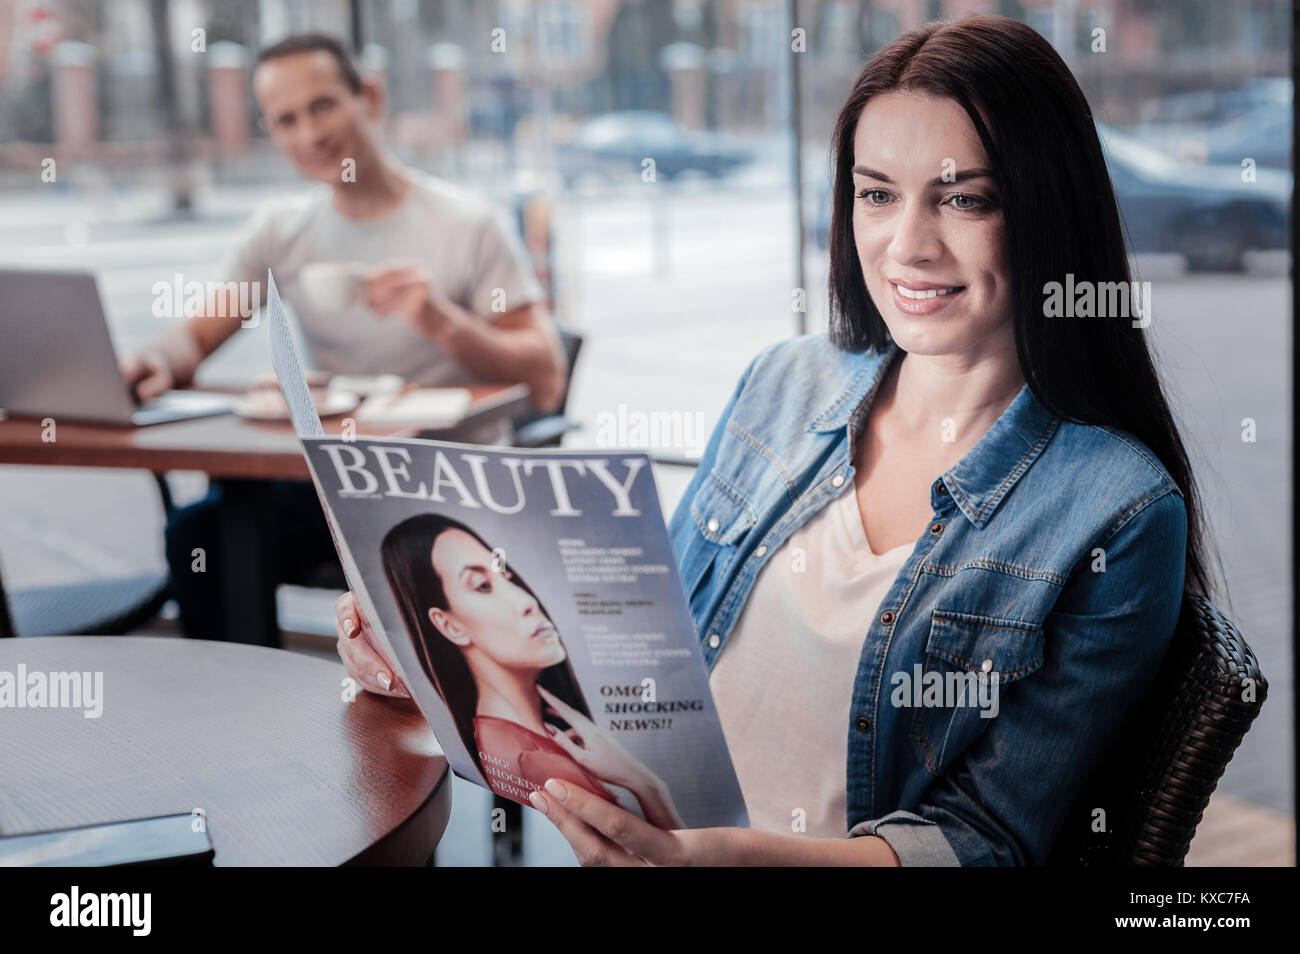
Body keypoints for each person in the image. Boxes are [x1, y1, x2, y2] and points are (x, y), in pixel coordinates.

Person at [335, 14, 1219, 866]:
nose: (906, 245)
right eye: (876, 194)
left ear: (1046, 210)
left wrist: (730, 861)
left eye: (964, 199)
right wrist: (426, 659)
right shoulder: (786, 381)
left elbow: (987, 841)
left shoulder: (1116, 509)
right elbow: (645, 660)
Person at [120, 33, 567, 642]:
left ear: (370, 97)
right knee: (204, 534)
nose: (309, 134)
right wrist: (151, 360)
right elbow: (194, 340)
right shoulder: (281, 231)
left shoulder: (464, 224)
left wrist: (440, 321)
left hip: (454, 486)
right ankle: (234, 708)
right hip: (341, 481)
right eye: (286, 119)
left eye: (323, 105)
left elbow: (546, 375)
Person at [372, 513, 685, 829]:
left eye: (506, 577)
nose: (526, 601)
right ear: (449, 625)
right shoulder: (527, 759)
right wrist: (647, 786)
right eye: (482, 585)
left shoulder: (541, 738)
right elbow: (667, 859)